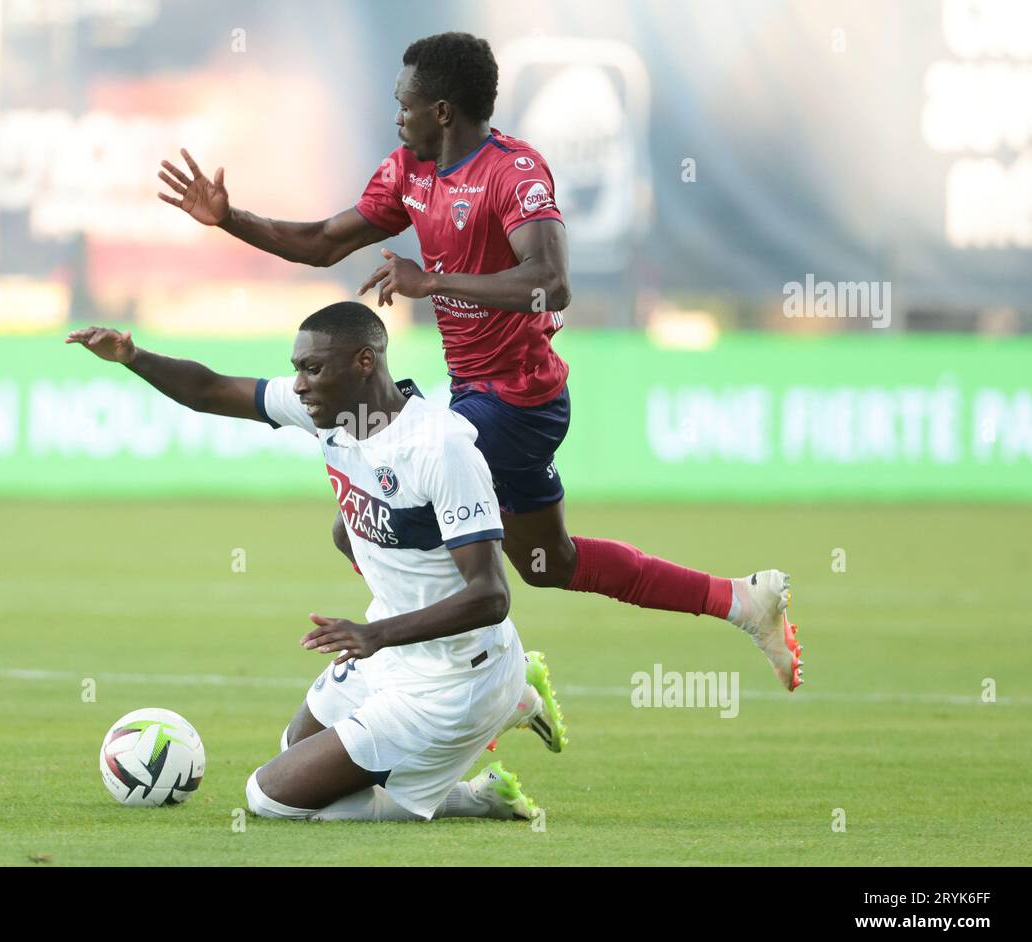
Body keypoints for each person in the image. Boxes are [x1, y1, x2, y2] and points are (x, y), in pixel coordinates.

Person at [155, 32, 802, 691]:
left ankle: (483, 680)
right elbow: (322, 243)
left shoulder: (513, 172)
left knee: (367, 526)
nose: (396, 115)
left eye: (405, 103)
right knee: (549, 563)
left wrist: (433, 282)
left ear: (441, 111)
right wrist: (228, 217)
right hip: (476, 398)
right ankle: (741, 601)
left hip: (519, 401)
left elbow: (551, 283)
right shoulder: (408, 170)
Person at [66, 302, 567, 822]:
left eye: (312, 369)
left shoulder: (440, 448)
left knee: (271, 798)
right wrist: (132, 356)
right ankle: (511, 702)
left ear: (364, 362)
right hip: (394, 652)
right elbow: (209, 391)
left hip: (451, 682)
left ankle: (476, 785)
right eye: (296, 368)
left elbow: (491, 596)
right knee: (293, 749)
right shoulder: (330, 410)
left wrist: (374, 636)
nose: (299, 384)